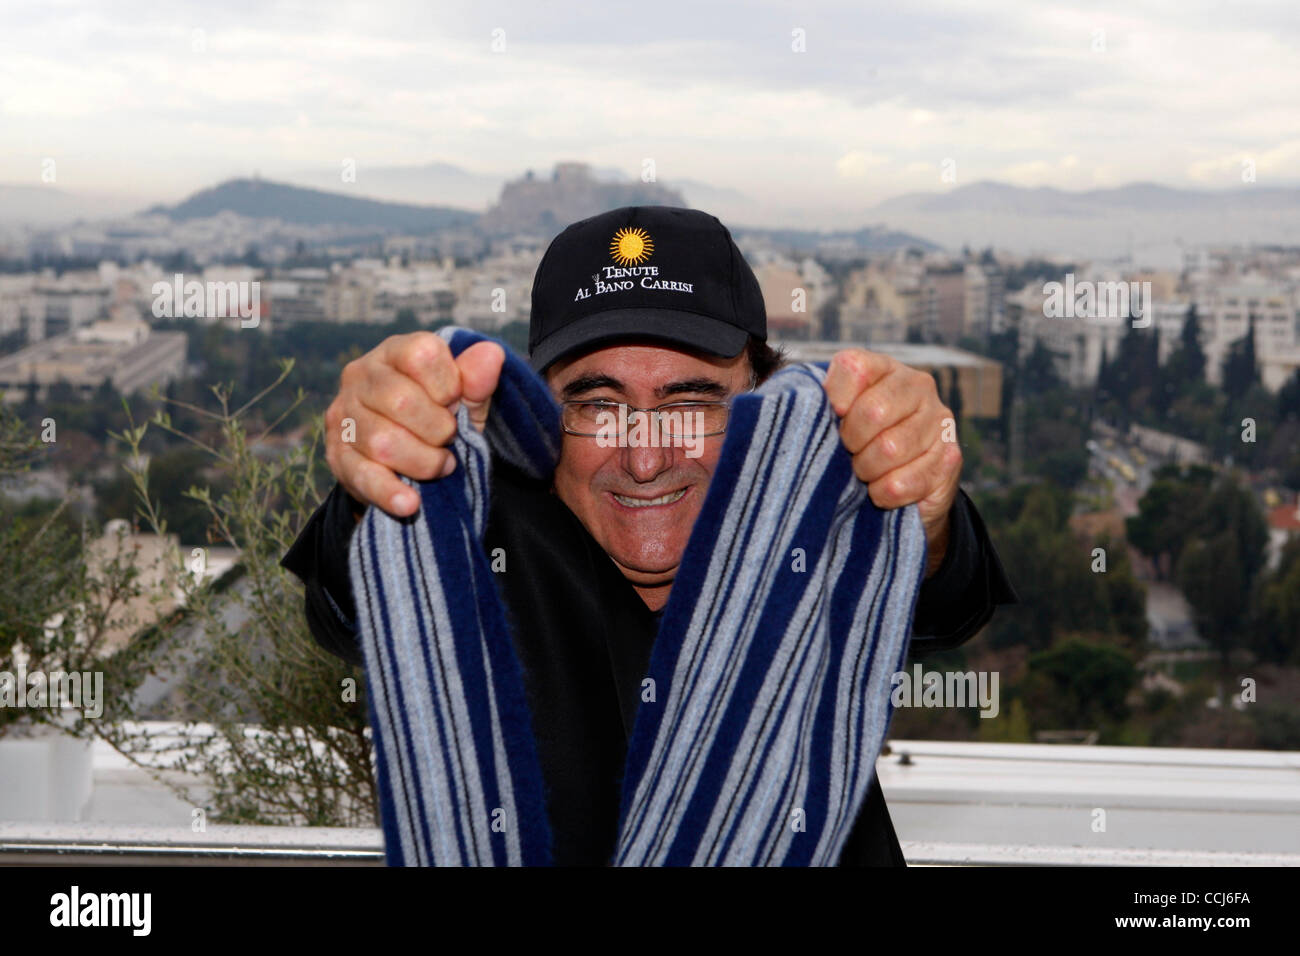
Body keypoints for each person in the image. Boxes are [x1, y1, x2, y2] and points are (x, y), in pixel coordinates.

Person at [282, 205, 1017, 865]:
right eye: (599, 405)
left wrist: (915, 497)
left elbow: (950, 598)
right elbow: (347, 601)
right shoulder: (490, 528)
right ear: (536, 412)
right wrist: (383, 466)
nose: (644, 456)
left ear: (762, 400)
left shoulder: (802, 522)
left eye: (690, 402)